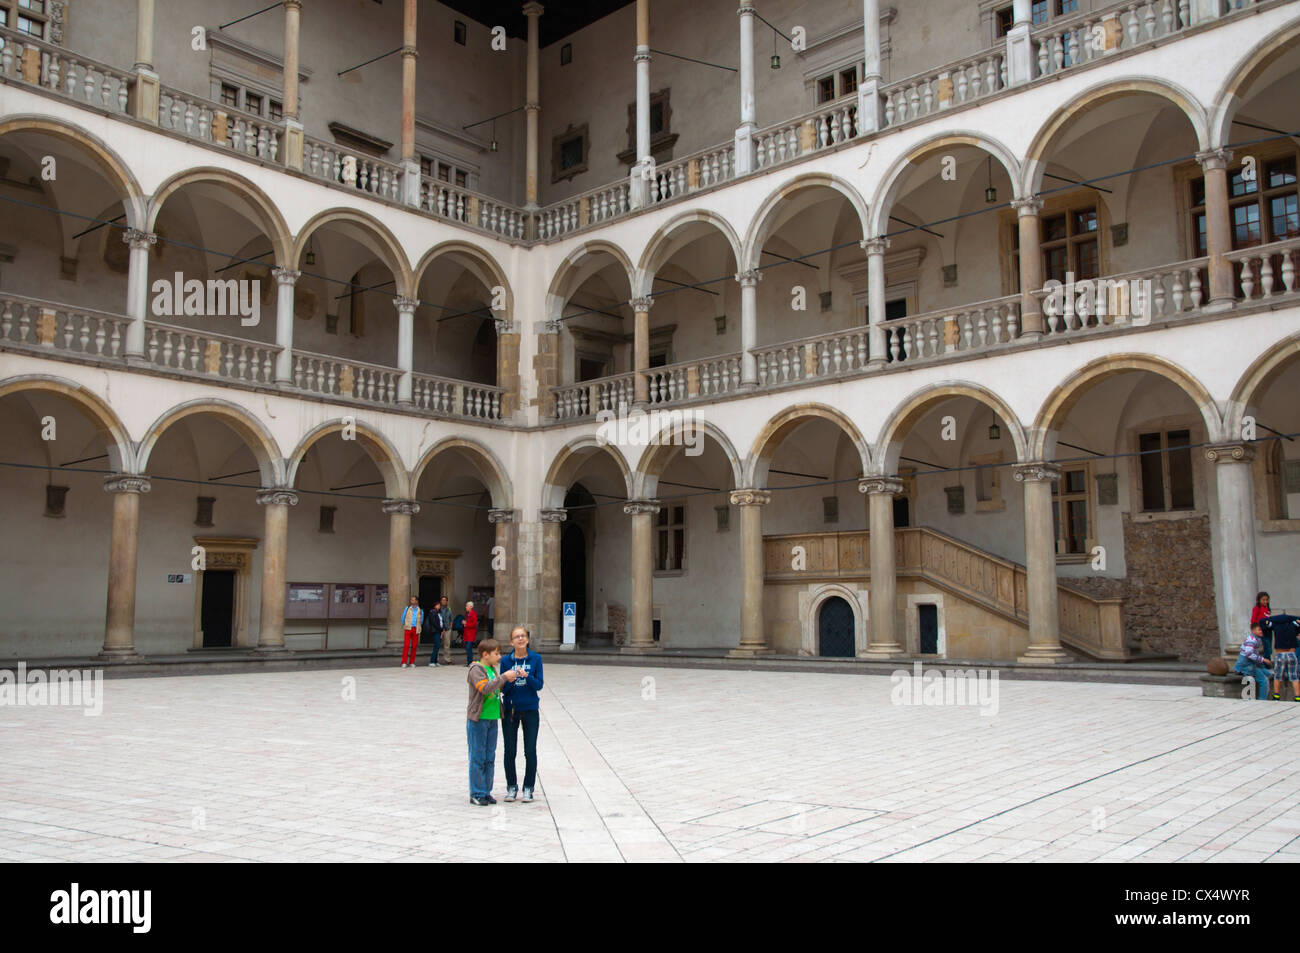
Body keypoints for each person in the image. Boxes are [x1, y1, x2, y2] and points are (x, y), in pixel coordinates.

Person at [466, 638, 518, 806]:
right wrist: (503, 677)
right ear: (485, 654)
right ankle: (477, 792)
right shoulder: (476, 669)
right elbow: (485, 688)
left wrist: (512, 678)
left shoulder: (492, 669)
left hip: (492, 718)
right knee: (477, 756)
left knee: (489, 756)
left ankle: (486, 791)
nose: (500, 657)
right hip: (478, 719)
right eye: (496, 653)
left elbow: (497, 688)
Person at [500, 626, 543, 803]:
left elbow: (539, 684)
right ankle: (511, 786)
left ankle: (528, 787)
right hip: (511, 709)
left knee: (530, 750)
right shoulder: (505, 660)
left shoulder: (536, 659)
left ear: (527, 640)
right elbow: (503, 687)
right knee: (510, 750)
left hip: (530, 709)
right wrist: (509, 679)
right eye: (517, 637)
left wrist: (527, 677)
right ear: (511, 641)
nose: (520, 639)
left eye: (523, 636)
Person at [1262, 613, 1300, 702]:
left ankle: (1276, 696)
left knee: (1278, 676)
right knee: (1294, 677)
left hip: (1280, 654)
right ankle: (1297, 697)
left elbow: (1264, 621)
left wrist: (1273, 619)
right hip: (1291, 654)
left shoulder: (1275, 625)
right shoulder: (1292, 625)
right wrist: (1293, 617)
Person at [1234, 622, 1272, 701]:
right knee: (1264, 680)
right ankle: (1262, 700)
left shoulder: (1256, 639)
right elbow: (1249, 654)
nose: (1261, 631)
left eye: (1261, 630)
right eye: (1259, 630)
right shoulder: (1251, 640)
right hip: (1245, 667)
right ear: (1253, 631)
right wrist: (1263, 660)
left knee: (1270, 674)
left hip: (1251, 665)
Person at [399, 596, 422, 668]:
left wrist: (418, 626)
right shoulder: (407, 608)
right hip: (408, 628)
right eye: (411, 599)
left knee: (414, 646)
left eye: (413, 600)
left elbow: (421, 620)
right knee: (406, 645)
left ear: (416, 601)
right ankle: (404, 662)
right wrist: (405, 624)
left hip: (416, 629)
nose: (411, 601)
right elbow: (403, 617)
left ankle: (412, 662)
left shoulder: (420, 610)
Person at [429, 596, 451, 667]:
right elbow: (434, 622)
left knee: (444, 645)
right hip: (438, 631)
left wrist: (450, 626)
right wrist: (441, 629)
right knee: (437, 645)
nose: (443, 602)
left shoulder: (448, 609)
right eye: (442, 600)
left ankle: (441, 660)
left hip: (446, 629)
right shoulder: (434, 612)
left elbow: (450, 618)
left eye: (445, 600)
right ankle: (434, 660)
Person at [421, 599, 441, 667]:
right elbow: (434, 622)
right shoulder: (433, 612)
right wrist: (439, 628)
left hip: (438, 631)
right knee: (436, 646)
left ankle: (435, 661)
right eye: (438, 605)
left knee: (437, 646)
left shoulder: (437, 612)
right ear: (435, 606)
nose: (439, 606)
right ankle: (432, 661)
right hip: (435, 631)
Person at [1252, 592, 1272, 657]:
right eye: (1263, 600)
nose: (1265, 601)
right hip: (1262, 631)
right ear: (1259, 600)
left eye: (1267, 600)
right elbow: (1253, 620)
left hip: (1268, 630)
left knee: (1269, 649)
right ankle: (1265, 664)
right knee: (1267, 649)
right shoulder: (1257, 608)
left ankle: (1268, 663)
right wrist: (1255, 630)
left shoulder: (1267, 609)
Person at [463, 601, 479, 667]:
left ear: (471, 607)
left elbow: (474, 624)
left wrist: (466, 623)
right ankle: (469, 661)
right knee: (467, 648)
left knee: (468, 647)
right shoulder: (468, 614)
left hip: (471, 634)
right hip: (467, 633)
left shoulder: (473, 614)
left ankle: (470, 661)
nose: (466, 607)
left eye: (467, 606)